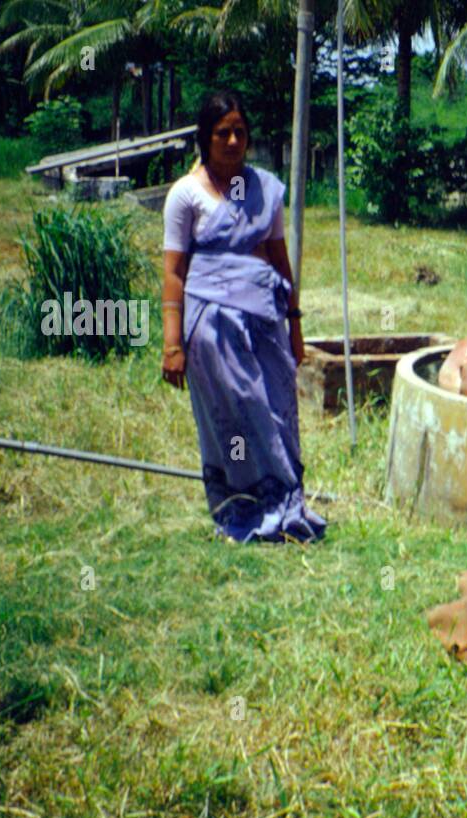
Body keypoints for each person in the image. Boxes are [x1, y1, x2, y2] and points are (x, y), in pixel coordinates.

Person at [161, 90, 326, 543]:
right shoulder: (186, 196)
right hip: (213, 330)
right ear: (204, 138)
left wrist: (295, 325)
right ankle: (242, 508)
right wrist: (172, 345)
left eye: (240, 132)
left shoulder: (262, 190)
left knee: (275, 410)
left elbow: (278, 257)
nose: (232, 141)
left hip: (265, 322)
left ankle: (284, 506)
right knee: (235, 415)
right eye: (222, 133)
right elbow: (174, 273)